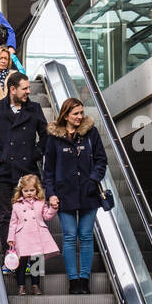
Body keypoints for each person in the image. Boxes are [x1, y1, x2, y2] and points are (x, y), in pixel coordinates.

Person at [0, 71, 48, 257]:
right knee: (6, 217)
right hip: (4, 172)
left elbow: (46, 136)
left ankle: (34, 273)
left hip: (29, 173)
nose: (28, 92)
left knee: (35, 219)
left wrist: (36, 153)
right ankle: (10, 259)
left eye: (29, 89)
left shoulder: (35, 108)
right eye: (24, 89)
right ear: (12, 89)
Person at [43, 96, 107, 294]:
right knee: (70, 237)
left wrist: (93, 179)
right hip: (64, 194)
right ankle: (73, 280)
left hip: (88, 193)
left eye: (81, 113)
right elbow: (49, 170)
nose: (80, 116)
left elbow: (101, 160)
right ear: (66, 115)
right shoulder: (54, 138)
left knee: (86, 236)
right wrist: (51, 194)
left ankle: (84, 279)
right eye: (75, 113)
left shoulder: (91, 133)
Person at [6, 172, 60, 296]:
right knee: (22, 262)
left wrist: (53, 208)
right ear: (21, 191)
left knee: (37, 261)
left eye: (32, 190)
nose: (29, 193)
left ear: (37, 190)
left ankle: (36, 285)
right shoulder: (16, 206)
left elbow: (47, 216)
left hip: (37, 235)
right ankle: (21, 286)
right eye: (26, 190)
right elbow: (13, 223)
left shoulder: (40, 203)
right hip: (22, 236)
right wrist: (11, 237)